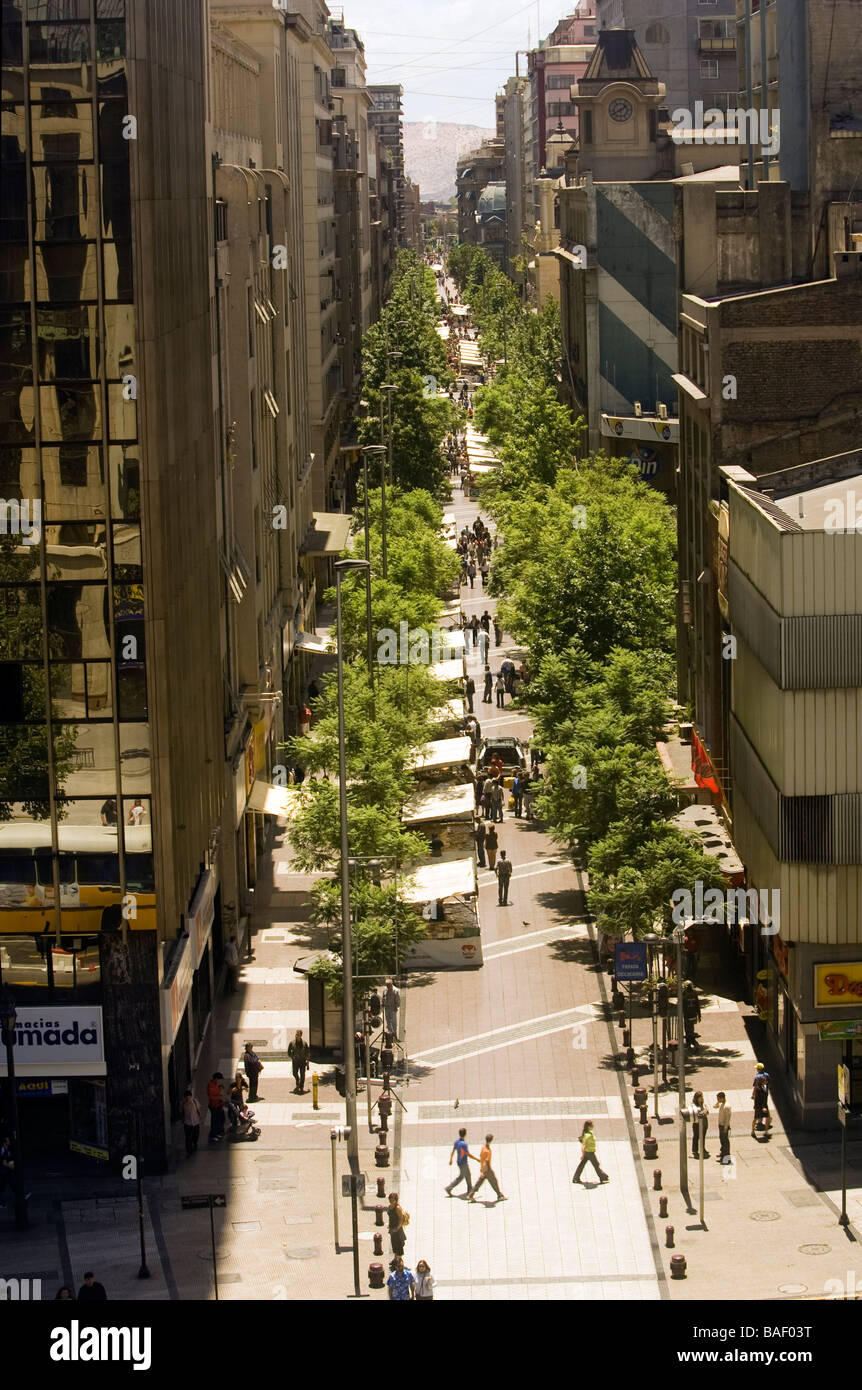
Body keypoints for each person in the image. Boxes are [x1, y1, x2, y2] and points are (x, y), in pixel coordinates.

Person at [467, 1134, 506, 1202]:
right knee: (494, 1181)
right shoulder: (487, 1151)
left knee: (479, 1183)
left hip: (483, 1168)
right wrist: (485, 1171)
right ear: (491, 1141)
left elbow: (481, 1157)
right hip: (487, 1170)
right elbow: (486, 1161)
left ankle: (470, 1195)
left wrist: (482, 1170)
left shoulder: (483, 1147)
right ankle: (499, 1195)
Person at [445, 1127, 474, 1196]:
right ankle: (449, 1188)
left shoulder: (457, 1142)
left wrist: (451, 1159)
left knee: (467, 1175)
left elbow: (453, 1151)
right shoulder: (464, 1144)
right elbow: (468, 1154)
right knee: (462, 1177)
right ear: (465, 1134)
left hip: (459, 1162)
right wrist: (476, 1159)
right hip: (463, 1163)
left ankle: (469, 1189)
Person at [751, 1063, 772, 1135]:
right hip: (762, 1105)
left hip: (759, 1104)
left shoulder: (757, 1078)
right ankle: (765, 1131)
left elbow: (755, 1087)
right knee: (767, 1117)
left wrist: (753, 1095)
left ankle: (753, 1131)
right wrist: (763, 1107)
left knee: (756, 1117)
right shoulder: (767, 1075)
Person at [288, 1029, 310, 1094]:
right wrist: (292, 1057)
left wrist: (308, 1063)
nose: (297, 1036)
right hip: (295, 1061)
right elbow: (289, 1052)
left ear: (301, 1035)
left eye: (298, 1035)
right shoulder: (292, 1043)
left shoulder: (304, 1043)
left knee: (302, 1075)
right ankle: (297, 1080)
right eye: (296, 1034)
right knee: (294, 1073)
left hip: (302, 1061)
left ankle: (301, 1086)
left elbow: (307, 1053)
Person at [206, 1073, 226, 1143]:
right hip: (213, 1106)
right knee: (215, 1121)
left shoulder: (215, 1084)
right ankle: (213, 1135)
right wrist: (219, 1097)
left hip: (218, 1104)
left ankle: (218, 1132)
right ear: (216, 1078)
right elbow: (211, 1097)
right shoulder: (210, 1086)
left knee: (220, 1119)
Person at [181, 1089, 201, 1156]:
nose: (188, 1098)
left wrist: (200, 1118)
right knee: (188, 1137)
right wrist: (182, 1119)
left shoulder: (195, 1102)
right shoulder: (183, 1104)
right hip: (187, 1123)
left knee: (195, 1136)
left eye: (189, 1097)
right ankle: (189, 1151)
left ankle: (194, 1143)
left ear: (191, 1096)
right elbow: (182, 1112)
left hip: (195, 1122)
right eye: (186, 1097)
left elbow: (198, 1110)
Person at [682, 981, 701, 1049]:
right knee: (690, 1028)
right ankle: (690, 1041)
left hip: (688, 1014)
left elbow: (683, 1005)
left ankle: (690, 1042)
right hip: (692, 1014)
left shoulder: (684, 993)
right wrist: (699, 1015)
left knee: (688, 1028)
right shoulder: (694, 993)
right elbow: (697, 1005)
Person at [387, 1192, 407, 1256]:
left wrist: (397, 1228)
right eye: (390, 1199)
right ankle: (395, 1258)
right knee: (394, 1245)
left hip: (397, 1229)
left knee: (399, 1245)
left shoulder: (397, 1208)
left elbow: (401, 1219)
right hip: (392, 1227)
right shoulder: (390, 1207)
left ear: (396, 1200)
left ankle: (399, 1260)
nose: (391, 1201)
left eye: (392, 1200)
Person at [691, 1090, 710, 1158]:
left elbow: (707, 1111)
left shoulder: (703, 1104)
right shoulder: (694, 1105)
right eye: (700, 1097)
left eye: (702, 1097)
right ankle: (695, 1150)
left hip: (704, 1123)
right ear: (697, 1098)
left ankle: (702, 1148)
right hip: (697, 1124)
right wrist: (704, 1111)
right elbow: (699, 1113)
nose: (702, 1098)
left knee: (703, 1137)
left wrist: (705, 1111)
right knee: (696, 1137)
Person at [715, 1092, 732, 1161]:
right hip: (721, 1125)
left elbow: (728, 1118)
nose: (718, 1100)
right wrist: (717, 1103)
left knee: (725, 1143)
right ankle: (722, 1153)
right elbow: (715, 1106)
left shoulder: (726, 1106)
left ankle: (725, 1158)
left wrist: (725, 1128)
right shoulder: (722, 1104)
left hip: (724, 1126)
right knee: (722, 1141)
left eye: (718, 1099)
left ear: (722, 1098)